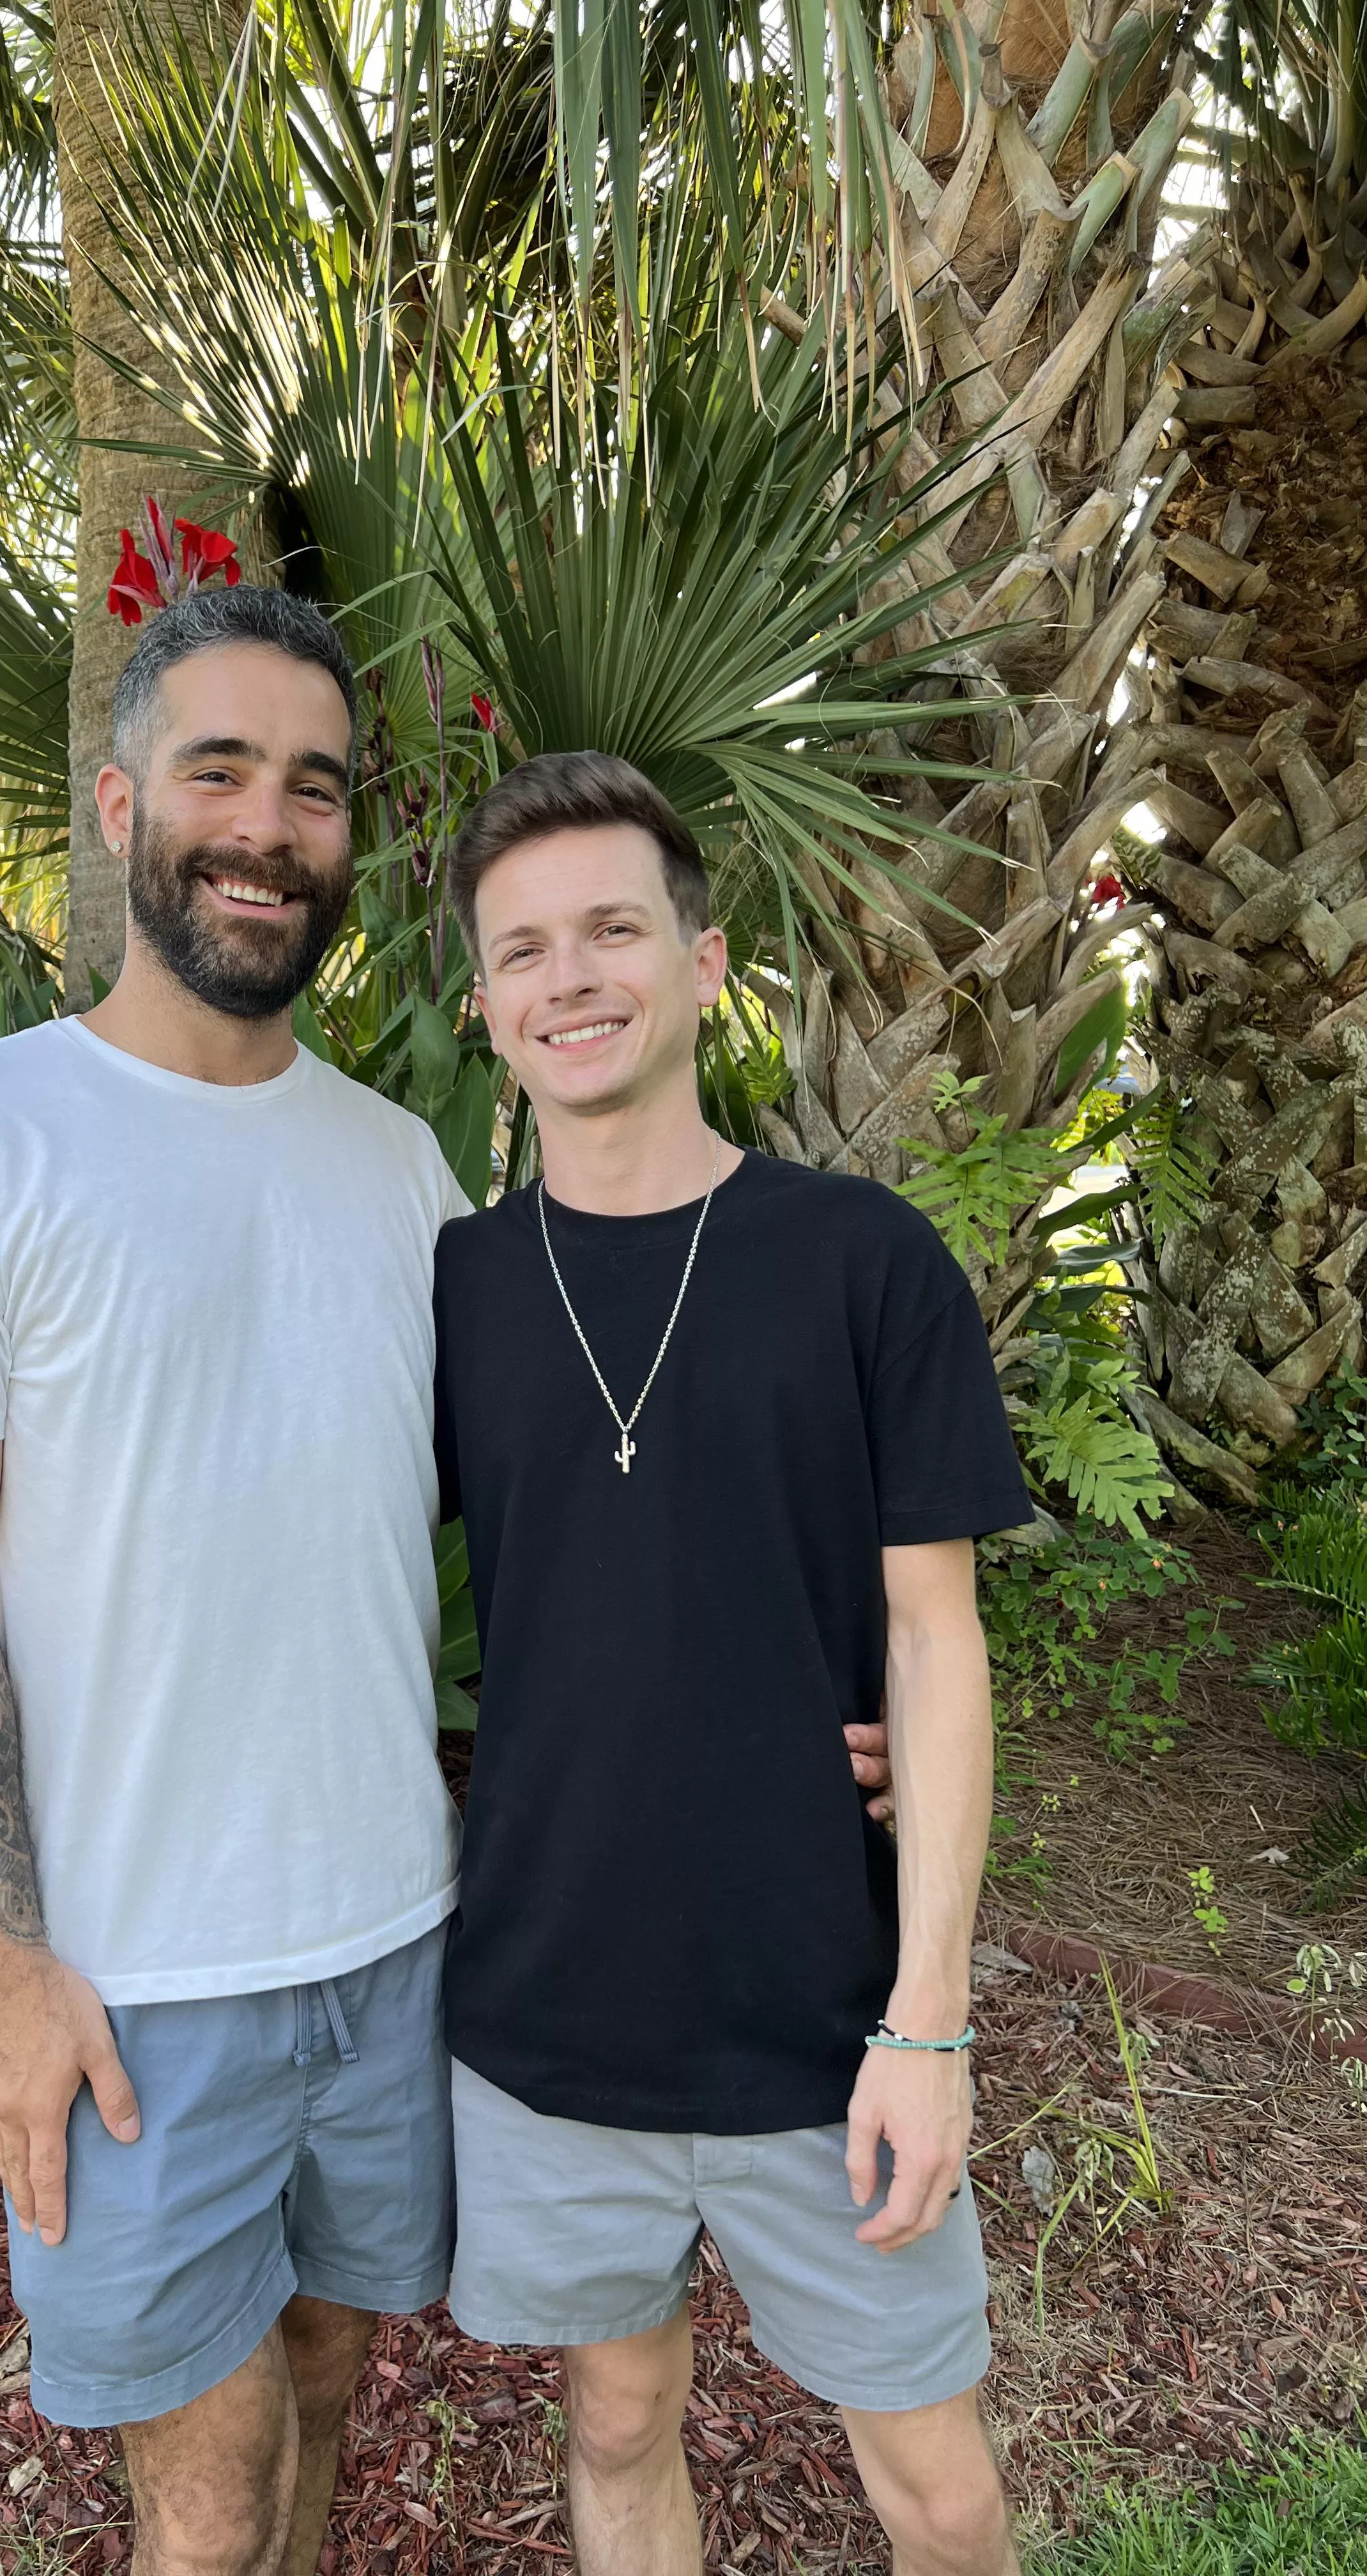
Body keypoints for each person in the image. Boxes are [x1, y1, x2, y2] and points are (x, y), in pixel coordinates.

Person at [0, 590, 891, 2575]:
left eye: (313, 787)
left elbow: (599, 1516)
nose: (267, 823)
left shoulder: (405, 1172)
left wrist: (830, 1710)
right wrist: (14, 1971)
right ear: (122, 801)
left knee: (322, 2401)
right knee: (205, 2512)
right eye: (218, 770)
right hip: (137, 1985)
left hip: (398, 1949)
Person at [431, 751, 1032, 2576]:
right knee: (615, 2428)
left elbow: (935, 1639)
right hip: (551, 2017)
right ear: (484, 1008)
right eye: (525, 950)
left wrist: (928, 2022)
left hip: (825, 2016)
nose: (571, 978)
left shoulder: (858, 1261)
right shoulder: (448, 1287)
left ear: (704, 964)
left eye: (614, 928)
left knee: (936, 2484)